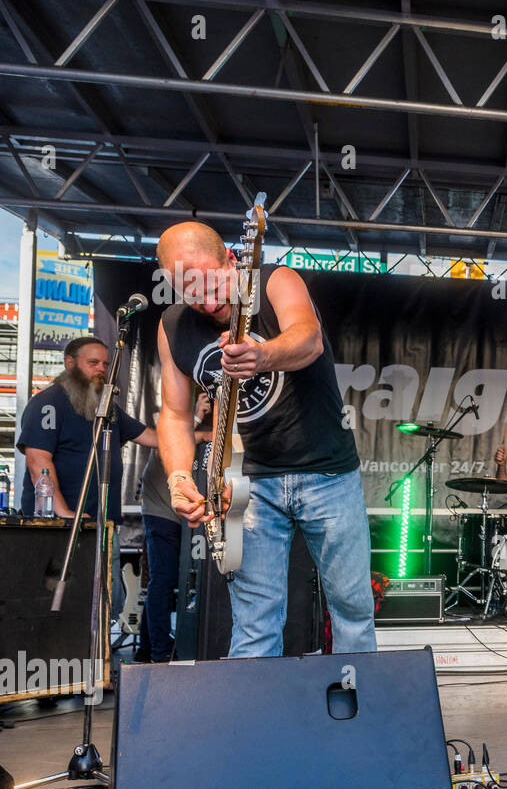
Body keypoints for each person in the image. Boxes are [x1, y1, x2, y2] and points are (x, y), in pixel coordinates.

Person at [154, 220, 376, 658]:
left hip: (326, 473)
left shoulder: (275, 281)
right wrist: (180, 477)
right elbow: (175, 414)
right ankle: (255, 723)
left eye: (209, 279)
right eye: (187, 287)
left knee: (351, 608)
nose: (203, 297)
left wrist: (263, 354)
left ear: (231, 260)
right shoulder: (173, 327)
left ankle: (359, 715)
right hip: (246, 486)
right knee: (255, 621)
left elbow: (308, 339)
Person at [16, 336, 158, 622]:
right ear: (70, 364)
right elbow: (38, 461)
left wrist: (198, 431)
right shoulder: (48, 402)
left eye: (105, 364)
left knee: (106, 604)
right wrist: (66, 512)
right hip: (60, 527)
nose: (101, 369)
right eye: (93, 363)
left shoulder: (107, 410)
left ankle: (99, 665)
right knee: (61, 606)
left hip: (101, 526)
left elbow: (152, 437)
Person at [134, 392, 211, 663]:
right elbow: (173, 439)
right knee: (163, 581)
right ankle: (160, 651)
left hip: (176, 517)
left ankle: (147, 648)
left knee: (163, 582)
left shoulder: (197, 431)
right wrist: (198, 418)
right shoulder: (175, 428)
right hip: (160, 514)